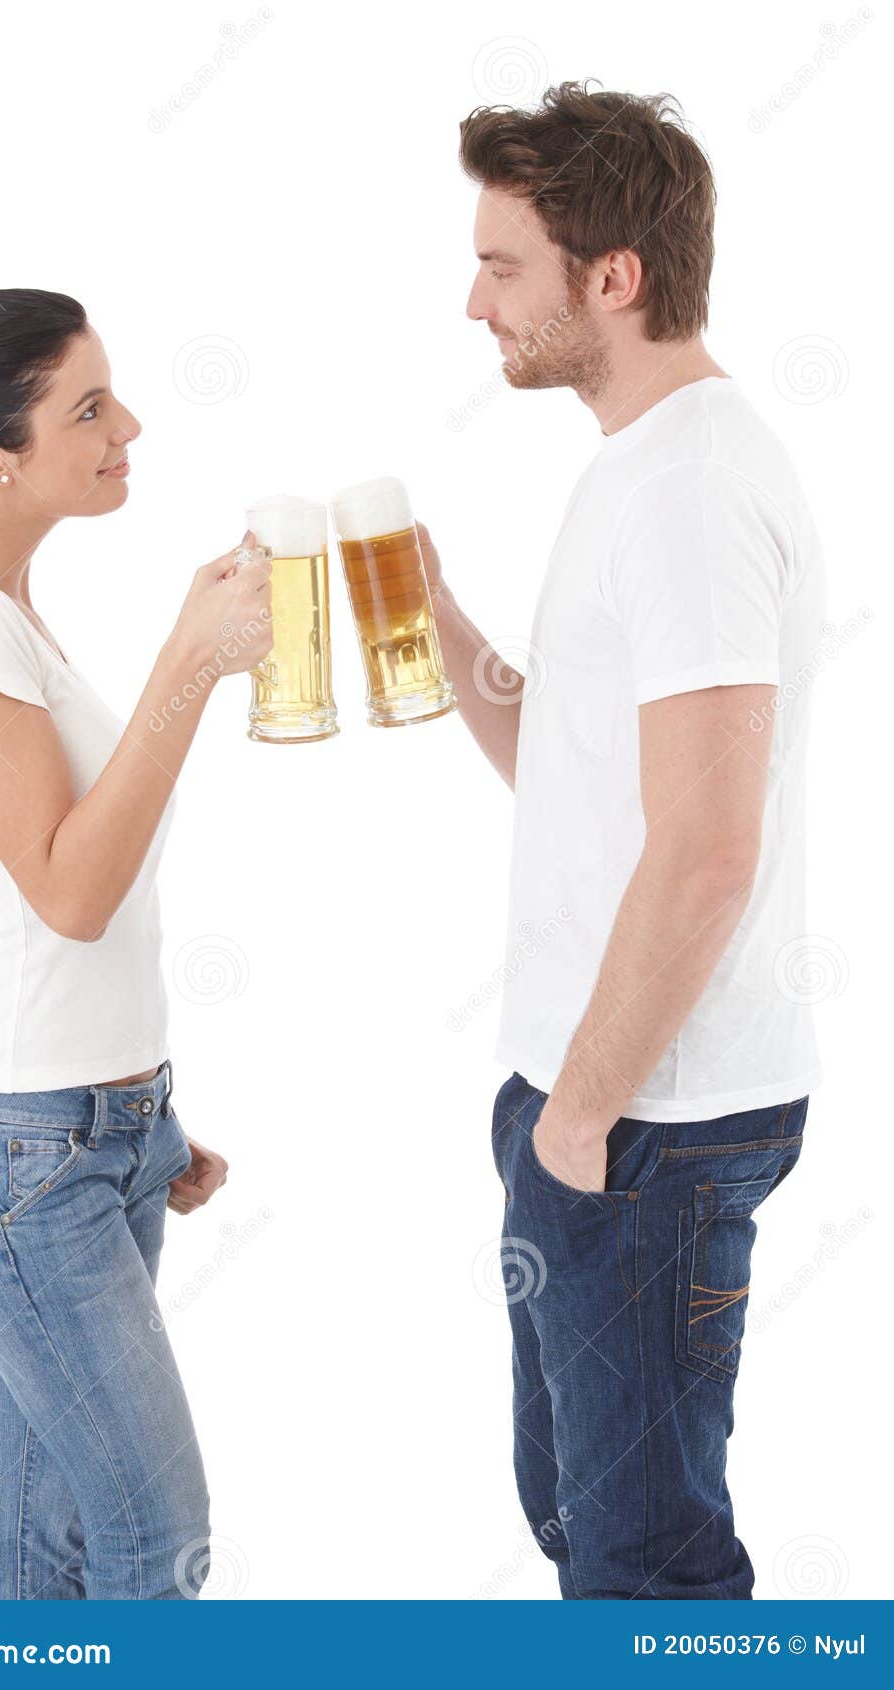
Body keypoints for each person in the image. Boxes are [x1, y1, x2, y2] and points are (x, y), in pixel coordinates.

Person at [422, 83, 826, 1599]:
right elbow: (582, 773)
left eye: (504, 266)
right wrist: (438, 613)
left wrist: (581, 1124)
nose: (474, 302)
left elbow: (710, 847)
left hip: (647, 1118)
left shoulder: (694, 489)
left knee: (645, 1573)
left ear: (616, 277)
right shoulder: (638, 468)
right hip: (594, 1107)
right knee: (585, 1526)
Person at [0, 289, 273, 1600]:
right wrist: (192, 659)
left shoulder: (2, 611)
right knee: (158, 1546)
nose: (130, 425)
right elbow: (69, 891)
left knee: (45, 1558)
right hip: (18, 1157)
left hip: (81, 1133)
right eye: (88, 408)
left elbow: (63, 903)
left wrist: (137, 1109)